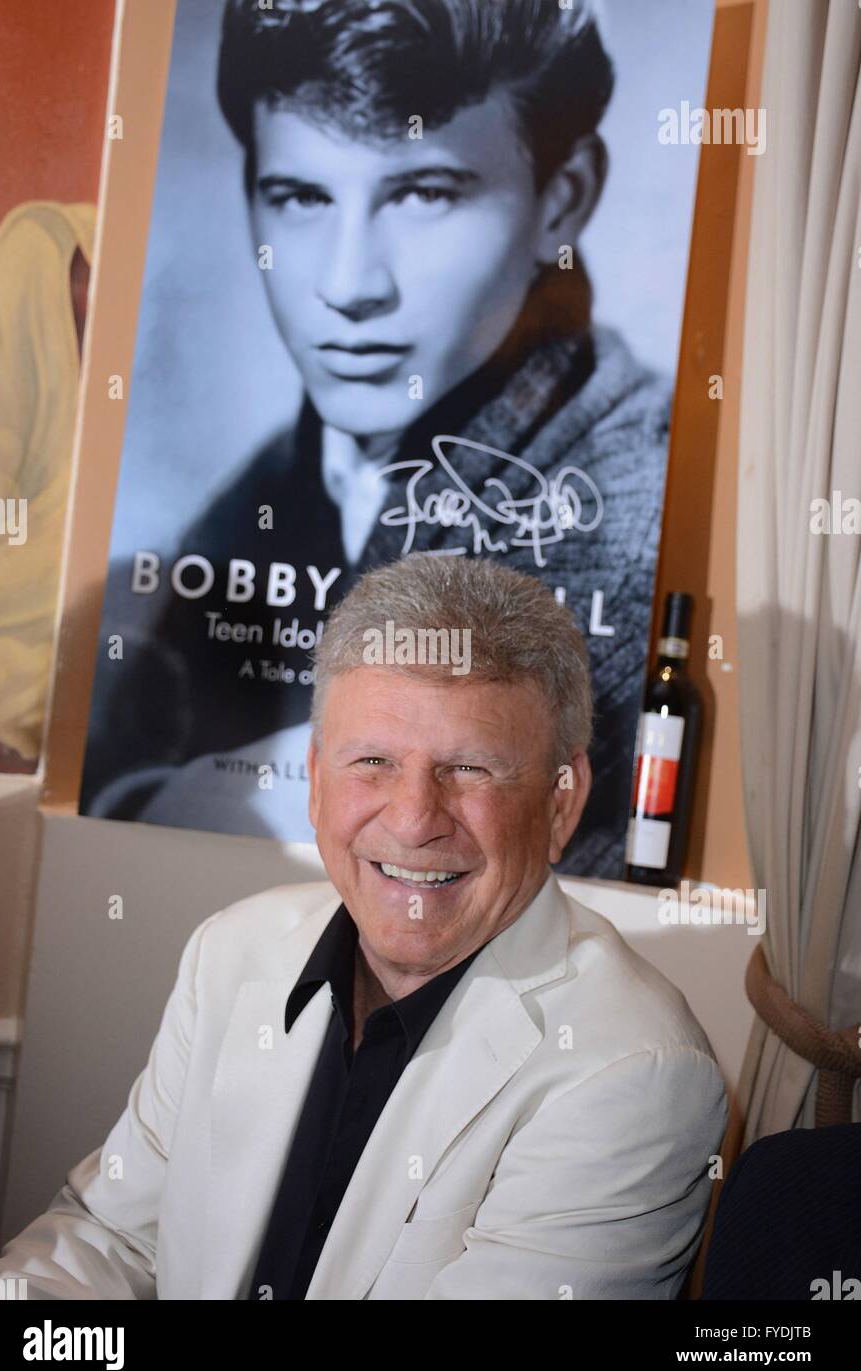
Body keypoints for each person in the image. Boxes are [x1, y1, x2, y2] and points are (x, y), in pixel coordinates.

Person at [0, 554, 727, 1299]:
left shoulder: (637, 1073)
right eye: (372, 760)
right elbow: (109, 1239)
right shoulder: (230, 953)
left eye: (469, 769)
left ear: (562, 804)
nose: (411, 820)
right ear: (314, 779)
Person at [81, 0, 673, 882]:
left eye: (424, 193)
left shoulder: (627, 524)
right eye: (302, 197)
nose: (349, 285)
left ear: (566, 195)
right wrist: (158, 803)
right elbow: (113, 757)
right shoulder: (290, 472)